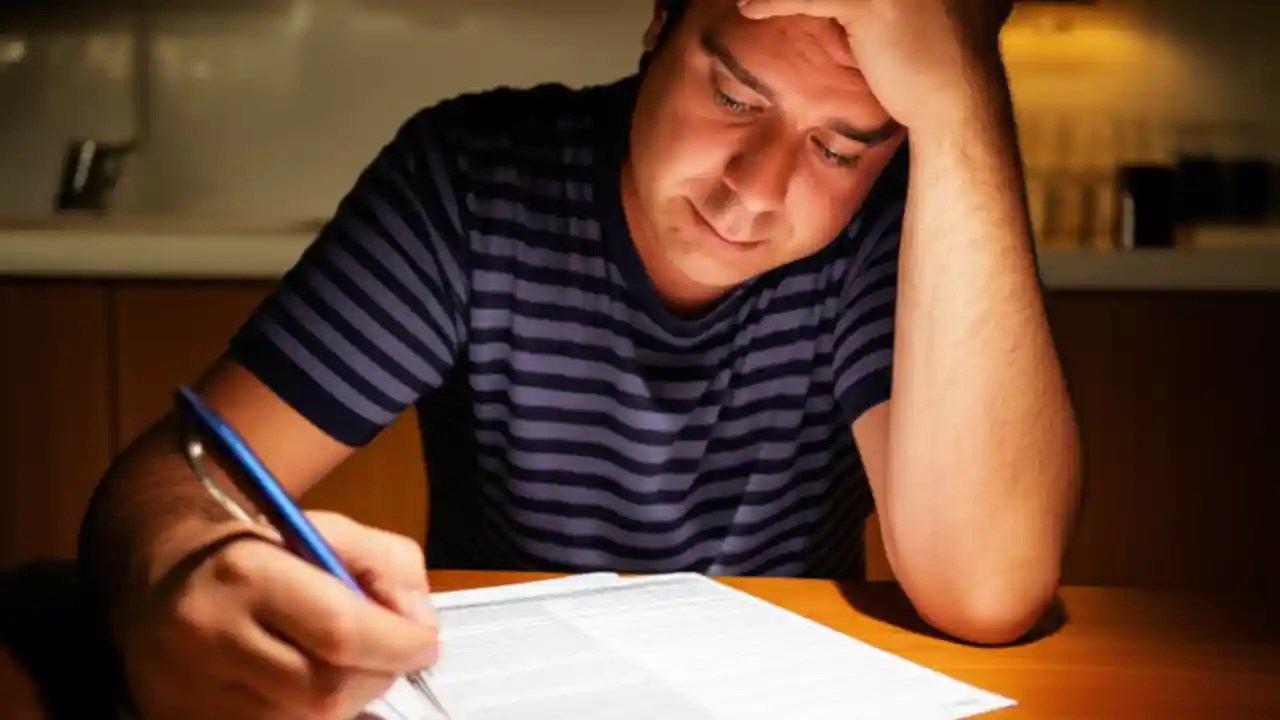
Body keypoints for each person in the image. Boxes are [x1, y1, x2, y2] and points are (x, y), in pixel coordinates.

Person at [76, 0, 1082, 717]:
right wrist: (183, 570)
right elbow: (171, 479)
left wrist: (958, 104)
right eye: (733, 96)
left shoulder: (889, 235)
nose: (753, 191)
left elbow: (987, 590)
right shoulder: (474, 178)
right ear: (655, 27)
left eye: (836, 149)